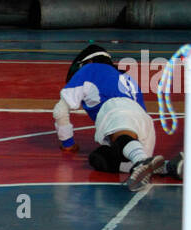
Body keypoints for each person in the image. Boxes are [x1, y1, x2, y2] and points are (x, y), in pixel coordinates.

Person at [53, 44, 173, 190]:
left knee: (122, 134)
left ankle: (141, 161)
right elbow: (137, 113)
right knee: (99, 157)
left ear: (88, 62)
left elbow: (60, 111)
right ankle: (168, 167)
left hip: (117, 110)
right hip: (145, 125)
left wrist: (68, 143)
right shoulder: (127, 78)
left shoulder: (89, 69)